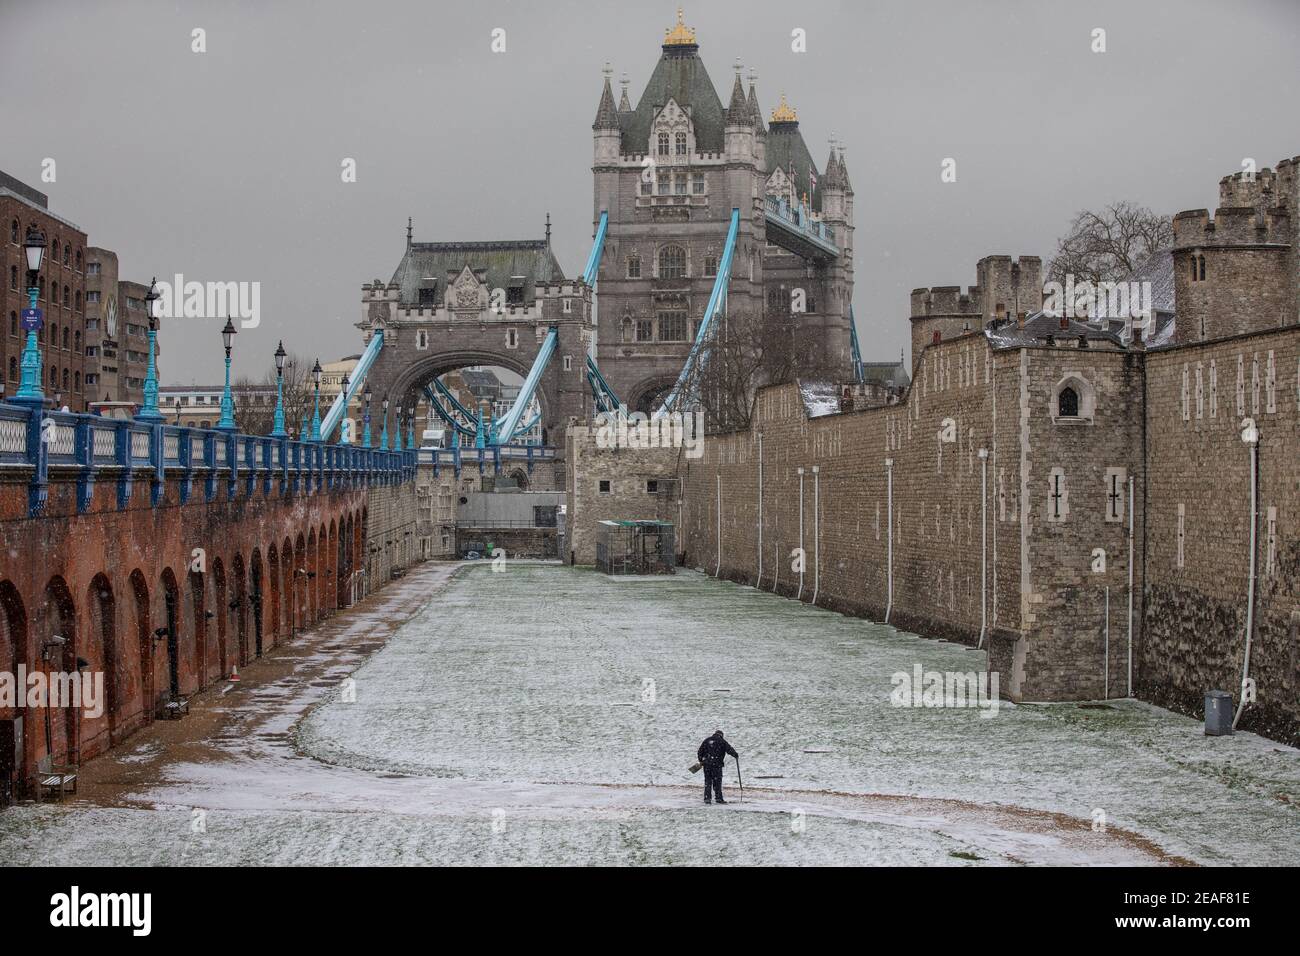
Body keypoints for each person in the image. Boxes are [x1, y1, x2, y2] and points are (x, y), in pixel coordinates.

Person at [697, 730, 739, 805]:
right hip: (717, 765)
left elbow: (700, 751)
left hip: (707, 765)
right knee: (717, 782)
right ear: (721, 735)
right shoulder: (722, 741)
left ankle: (707, 799)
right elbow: (729, 749)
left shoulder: (707, 740)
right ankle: (718, 798)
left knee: (708, 782)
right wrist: (735, 755)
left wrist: (701, 760)